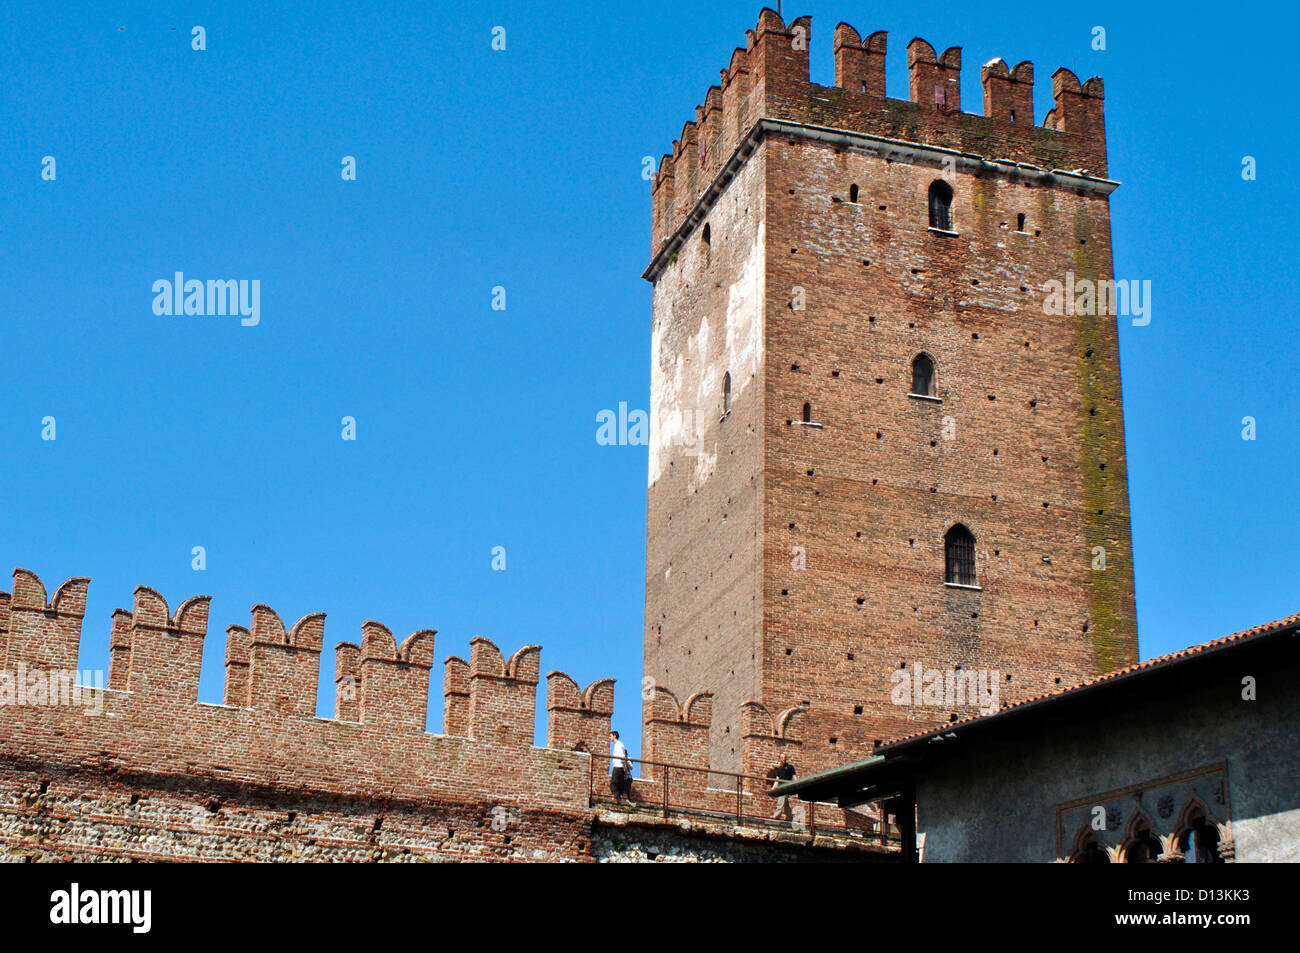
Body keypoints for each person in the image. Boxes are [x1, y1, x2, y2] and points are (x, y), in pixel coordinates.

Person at [609, 730, 636, 804]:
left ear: (615, 736)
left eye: (610, 736)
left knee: (613, 784)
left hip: (618, 766)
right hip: (619, 766)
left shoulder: (619, 744)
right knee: (618, 784)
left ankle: (618, 799)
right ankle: (618, 798)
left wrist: (624, 766)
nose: (609, 738)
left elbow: (622, 757)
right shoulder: (617, 745)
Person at [770, 751, 796, 822]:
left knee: (780, 802)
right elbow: (777, 780)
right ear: (780, 759)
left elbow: (794, 777)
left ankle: (776, 815)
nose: (783, 759)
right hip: (781, 788)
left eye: (784, 758)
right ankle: (790, 817)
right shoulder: (779, 769)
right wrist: (773, 788)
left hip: (787, 787)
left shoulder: (790, 767)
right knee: (785, 805)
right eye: (782, 758)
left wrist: (796, 786)